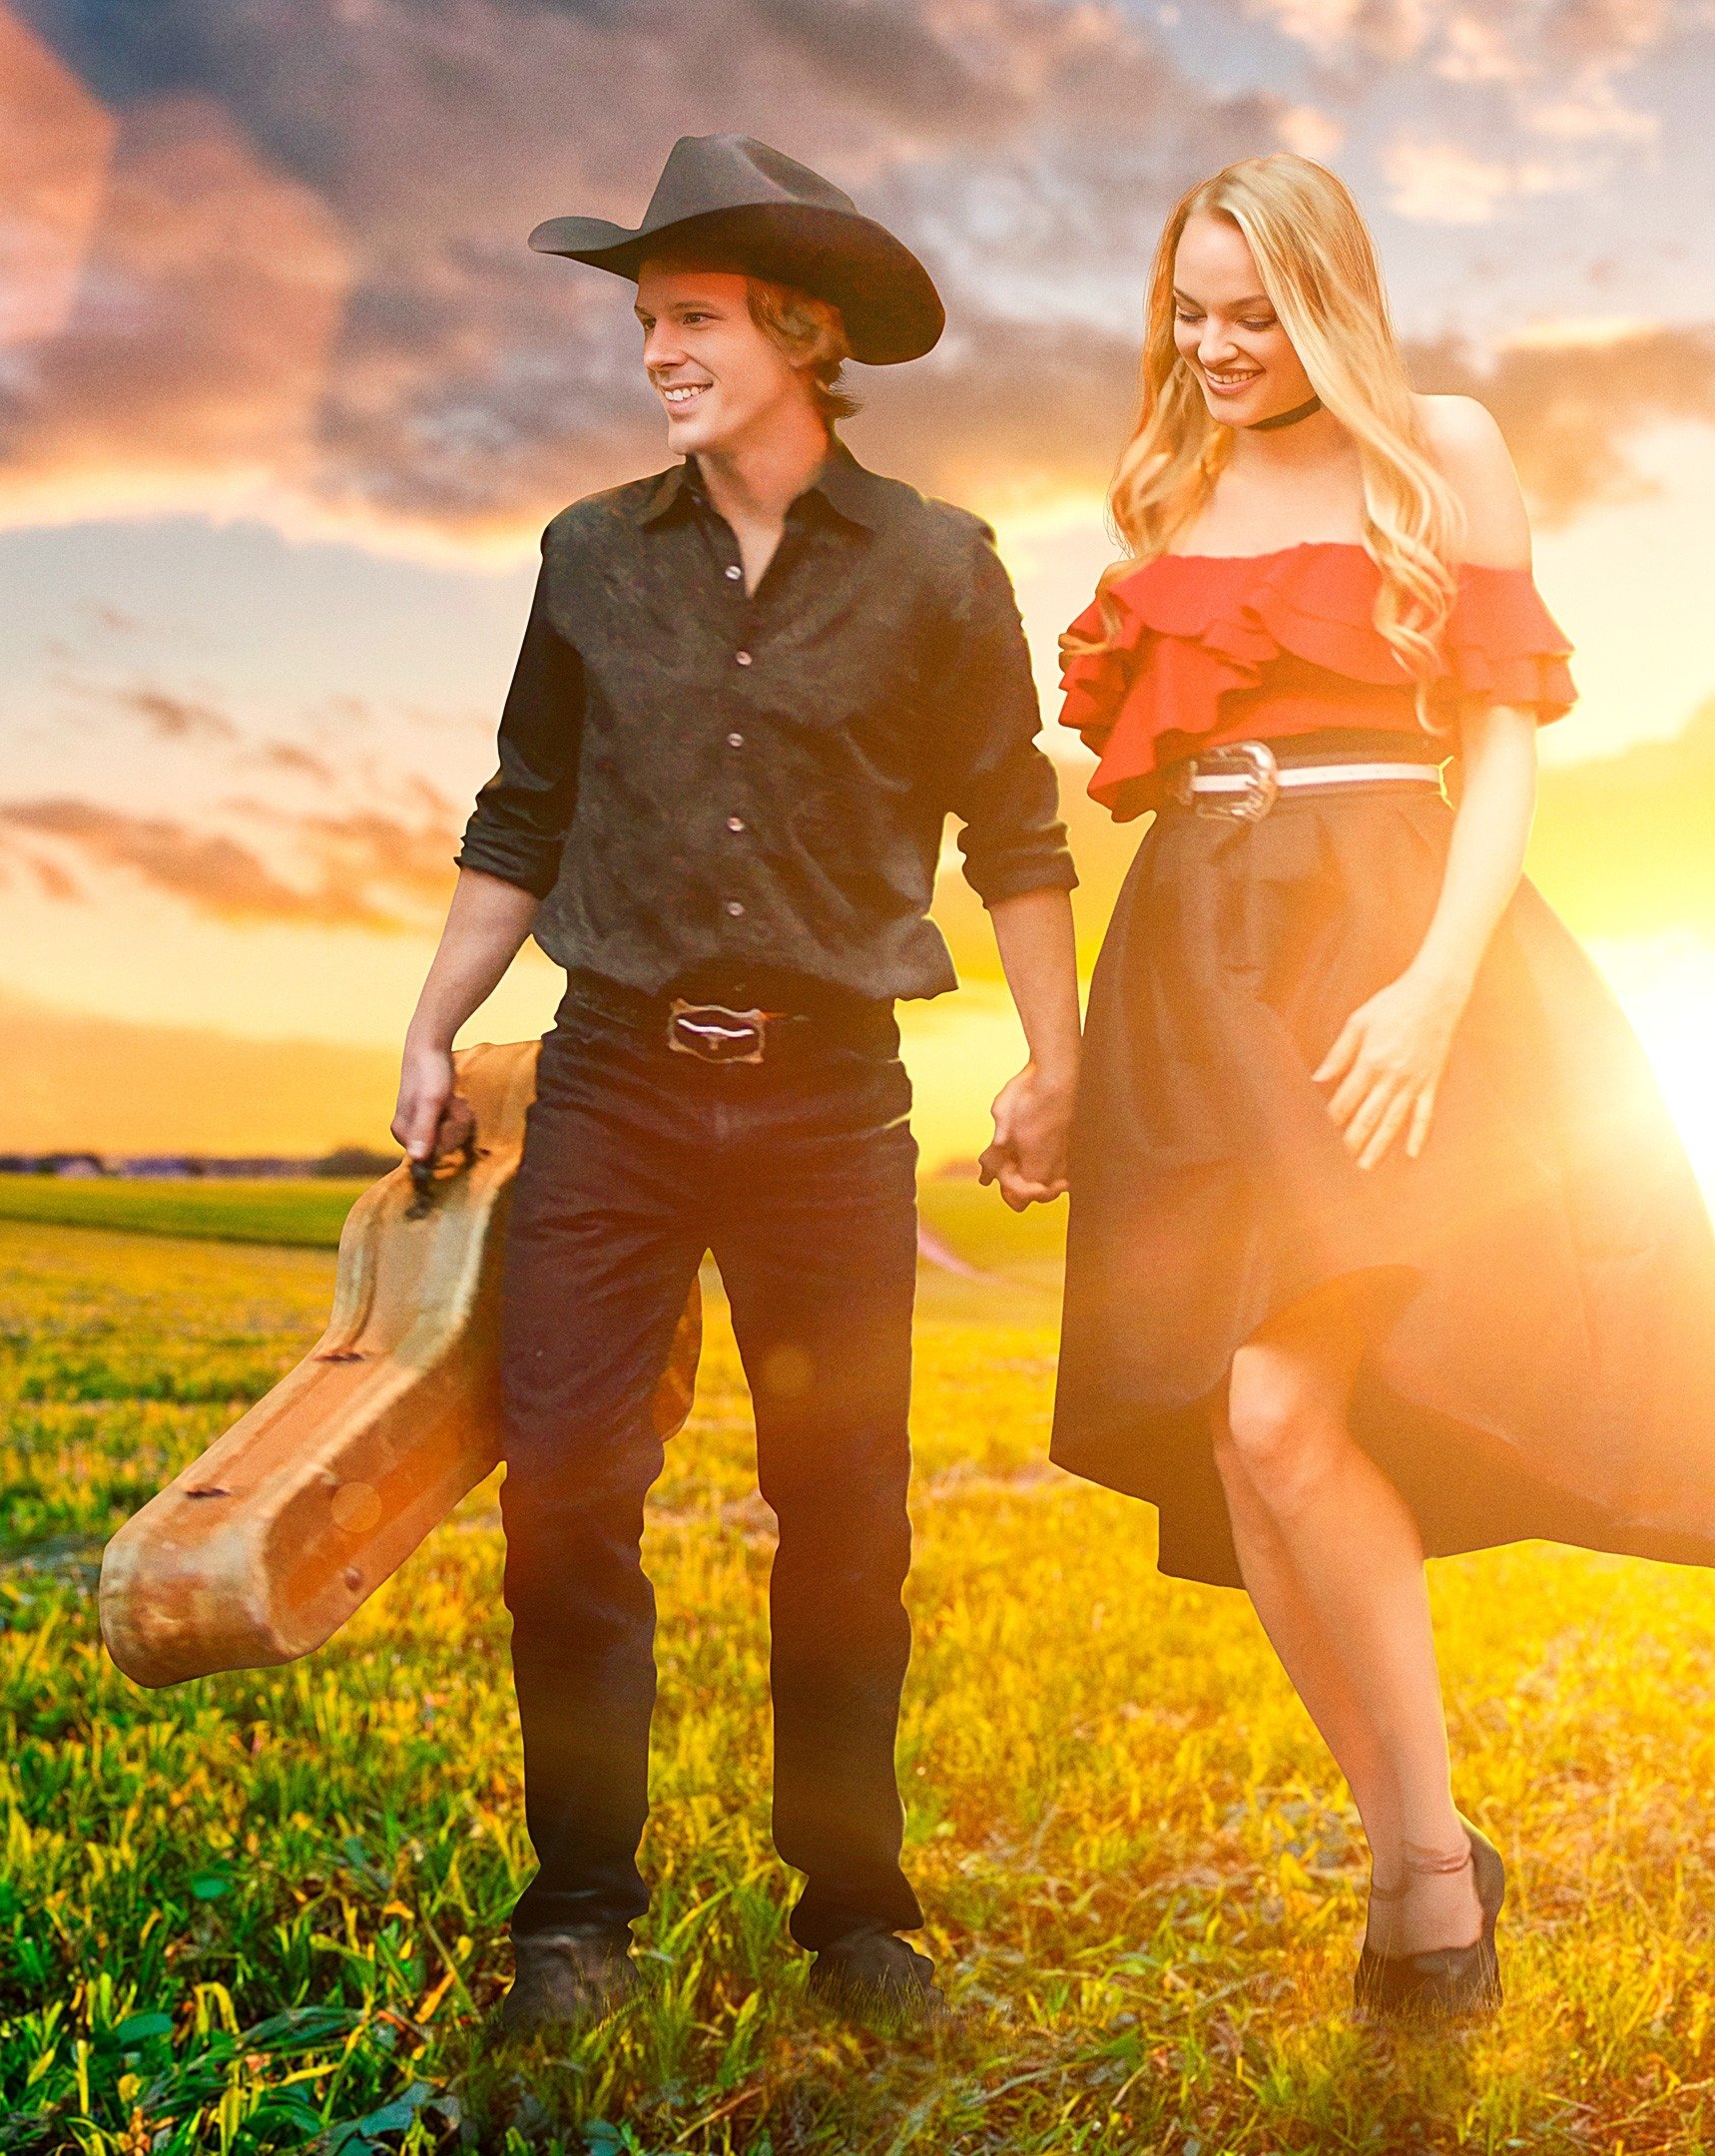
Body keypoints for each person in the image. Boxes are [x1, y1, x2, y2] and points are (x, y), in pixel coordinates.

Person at [1046, 154, 1715, 2023]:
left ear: (1332, 300)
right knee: (1245, 1436)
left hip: (1385, 930)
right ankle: (1426, 1864)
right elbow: (1128, 787)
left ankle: (1425, 1879)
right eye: (1191, 314)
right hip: (1192, 960)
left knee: (1291, 1409)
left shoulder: (1441, 445)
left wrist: (1433, 988)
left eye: (1256, 314)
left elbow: (1502, 744)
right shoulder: (1163, 484)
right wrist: (1052, 1063)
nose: (1217, 348)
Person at [396, 134, 1089, 2044]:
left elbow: (1014, 829)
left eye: (689, 319)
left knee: (848, 1514)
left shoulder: (945, 568)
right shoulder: (584, 558)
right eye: (645, 322)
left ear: (801, 330)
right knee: (566, 1503)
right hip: (611, 1088)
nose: (655, 355)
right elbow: (521, 808)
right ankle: (577, 1910)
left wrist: (1060, 1059)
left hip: (826, 1112)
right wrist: (434, 1022)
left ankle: (855, 1910)